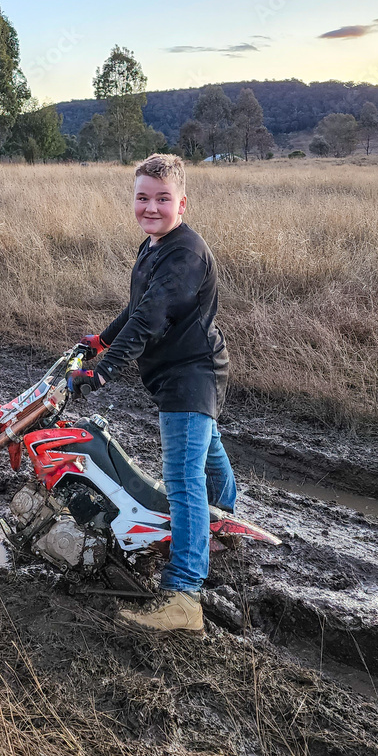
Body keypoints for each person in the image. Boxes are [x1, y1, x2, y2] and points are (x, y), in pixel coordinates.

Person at [68, 153, 236, 633]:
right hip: (180, 371)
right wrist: (98, 340)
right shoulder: (154, 245)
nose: (151, 207)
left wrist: (103, 371)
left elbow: (150, 317)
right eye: (143, 197)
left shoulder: (184, 252)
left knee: (182, 479)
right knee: (208, 457)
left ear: (182, 203)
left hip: (190, 374)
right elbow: (136, 306)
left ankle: (183, 595)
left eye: (163, 199)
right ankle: (221, 532)